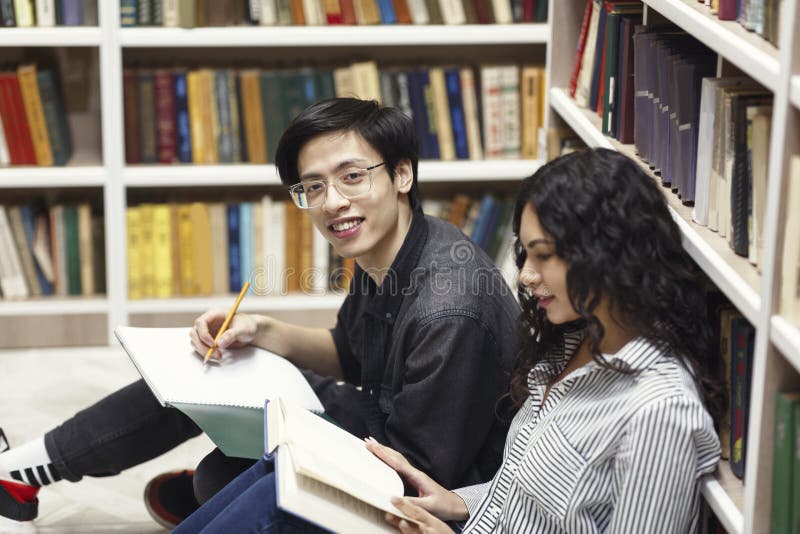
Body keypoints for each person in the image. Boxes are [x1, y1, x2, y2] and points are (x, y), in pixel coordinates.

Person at [0, 98, 520, 532]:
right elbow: (349, 354)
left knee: (219, 477)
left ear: (402, 173)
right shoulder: (395, 243)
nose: (333, 202)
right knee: (217, 367)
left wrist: (288, 455)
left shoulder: (450, 309)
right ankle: (25, 467)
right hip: (383, 422)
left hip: (420, 479)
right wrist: (260, 332)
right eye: (313, 187)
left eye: (353, 177)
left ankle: (221, 488)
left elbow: (418, 478)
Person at [174, 148, 723, 533]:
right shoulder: (568, 345)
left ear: (613, 253)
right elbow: (524, 495)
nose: (526, 276)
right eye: (524, 253)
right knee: (280, 477)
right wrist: (455, 503)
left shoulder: (659, 412)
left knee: (278, 507)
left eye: (544, 255)